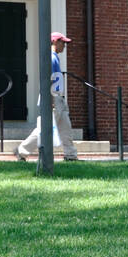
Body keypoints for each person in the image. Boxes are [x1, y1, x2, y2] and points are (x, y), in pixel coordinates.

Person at [17, 32, 79, 161]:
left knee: (66, 128)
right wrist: (49, 99)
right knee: (44, 129)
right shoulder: (51, 57)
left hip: (59, 98)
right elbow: (48, 79)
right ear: (55, 42)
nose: (65, 46)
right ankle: (22, 151)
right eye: (63, 42)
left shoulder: (55, 57)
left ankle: (70, 155)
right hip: (53, 98)